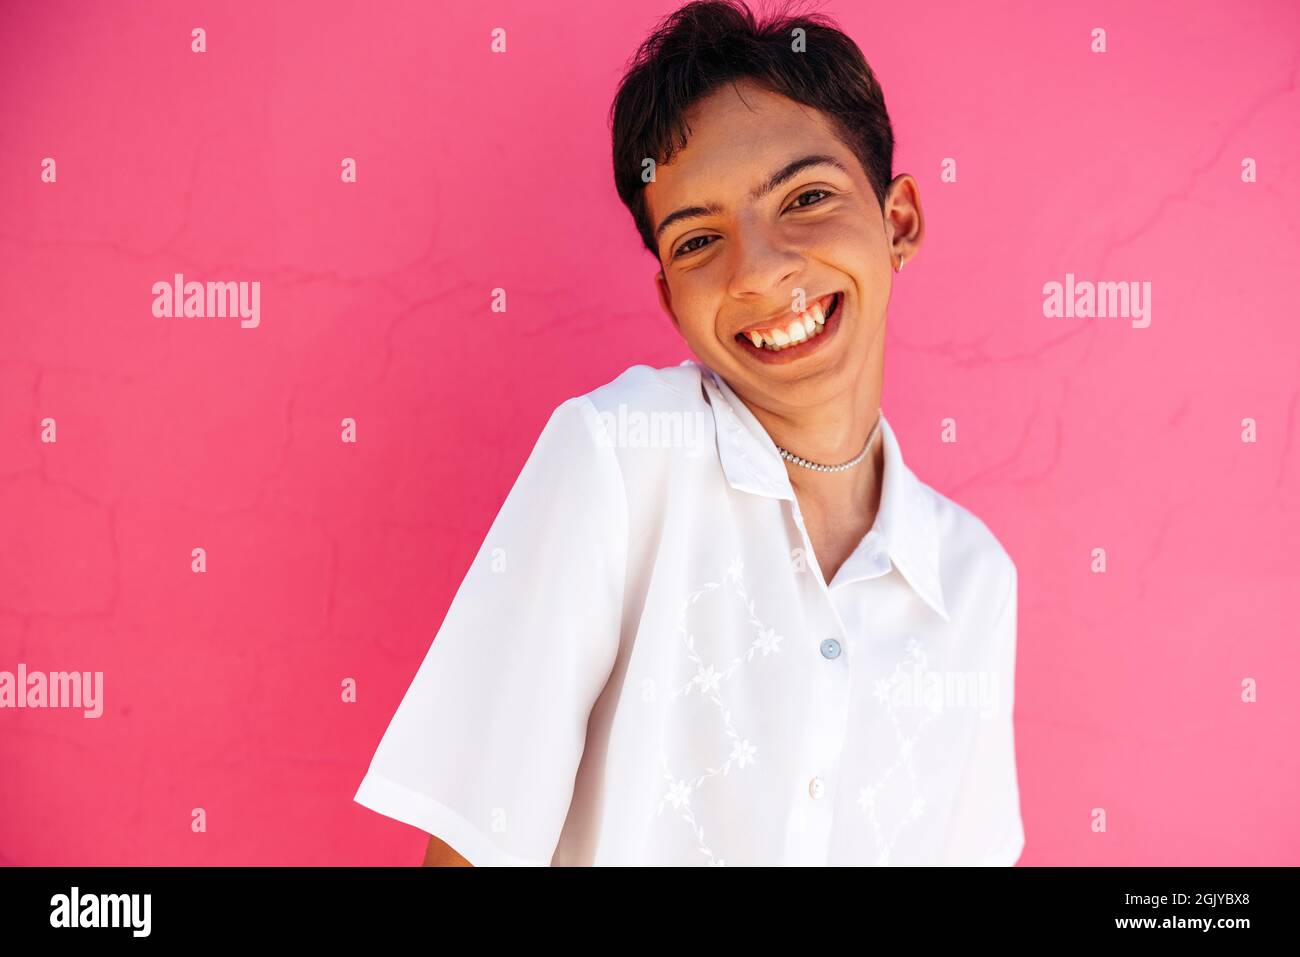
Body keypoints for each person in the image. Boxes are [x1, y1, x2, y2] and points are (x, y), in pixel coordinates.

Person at [354, 0, 1024, 867]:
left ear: (899, 222)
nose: (760, 271)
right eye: (700, 238)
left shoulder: (974, 582)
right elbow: (475, 849)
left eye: (806, 197)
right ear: (671, 298)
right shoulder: (620, 460)